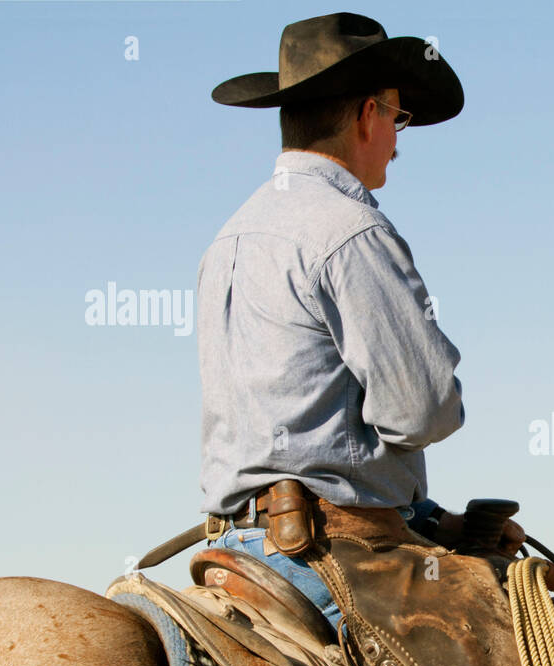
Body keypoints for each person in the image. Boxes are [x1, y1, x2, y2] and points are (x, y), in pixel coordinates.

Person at [198, 12, 523, 630]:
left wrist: (426, 520)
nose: (398, 143)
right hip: (331, 562)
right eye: (398, 119)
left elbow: (296, 433)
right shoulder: (352, 232)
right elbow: (424, 410)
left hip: (237, 549)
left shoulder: (227, 239)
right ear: (367, 114)